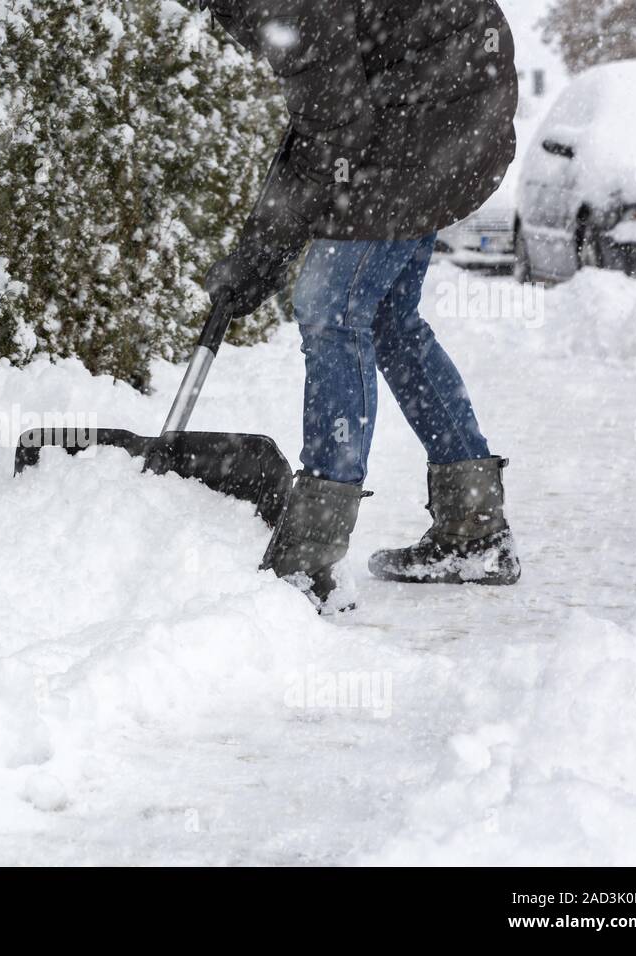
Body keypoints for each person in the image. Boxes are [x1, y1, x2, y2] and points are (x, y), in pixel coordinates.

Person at [200, 0, 523, 611]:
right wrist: (259, 250)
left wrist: (266, 253)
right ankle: (474, 527)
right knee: (388, 321)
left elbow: (332, 126)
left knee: (327, 309)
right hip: (447, 107)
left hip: (428, 123)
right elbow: (321, 116)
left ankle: (309, 559)